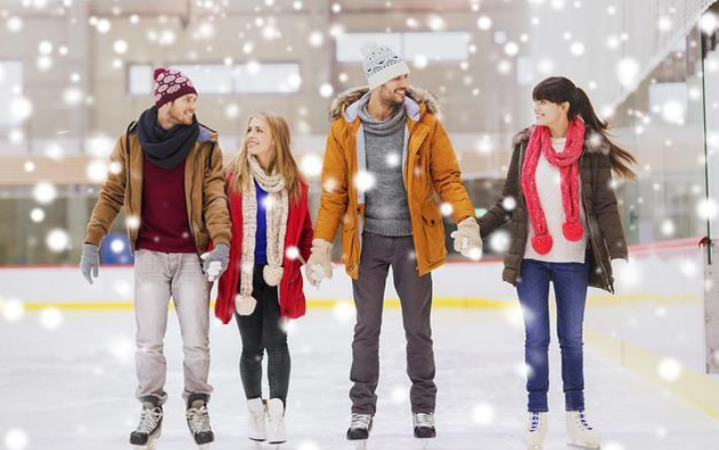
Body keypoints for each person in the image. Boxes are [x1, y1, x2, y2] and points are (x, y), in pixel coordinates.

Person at [305, 42, 483, 445]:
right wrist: (320, 246)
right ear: (378, 81)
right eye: (397, 76)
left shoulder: (424, 123)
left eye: (405, 75)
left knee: (418, 329)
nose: (405, 82)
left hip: (413, 242)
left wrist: (467, 219)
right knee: (366, 329)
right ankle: (361, 409)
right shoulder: (345, 129)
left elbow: (447, 178)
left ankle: (423, 407)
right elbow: (334, 193)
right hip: (366, 243)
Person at [477, 76, 636, 450]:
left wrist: (617, 253)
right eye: (535, 101)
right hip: (531, 258)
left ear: (564, 106)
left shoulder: (590, 149)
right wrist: (476, 227)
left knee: (571, 339)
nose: (537, 108)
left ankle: (576, 417)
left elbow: (604, 205)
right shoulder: (525, 145)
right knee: (536, 339)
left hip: (573, 258)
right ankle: (537, 415)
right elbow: (508, 201)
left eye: (544, 102)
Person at [80, 67, 231, 450]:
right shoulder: (132, 141)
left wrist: (221, 241)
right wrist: (92, 240)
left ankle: (197, 405)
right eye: (188, 100)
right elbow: (112, 192)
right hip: (149, 254)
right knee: (148, 341)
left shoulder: (204, 143)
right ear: (166, 101)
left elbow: (215, 195)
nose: (193, 107)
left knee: (196, 341)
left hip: (192, 257)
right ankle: (151, 407)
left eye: (194, 100)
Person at [214, 112, 314, 446]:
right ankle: (256, 411)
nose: (251, 135)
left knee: (278, 345)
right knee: (251, 348)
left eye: (259, 130)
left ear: (276, 138)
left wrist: (312, 260)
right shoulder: (231, 178)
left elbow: (306, 232)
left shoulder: (295, 184)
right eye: (249, 129)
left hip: (279, 278)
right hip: (241, 278)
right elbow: (217, 223)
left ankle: (278, 416)